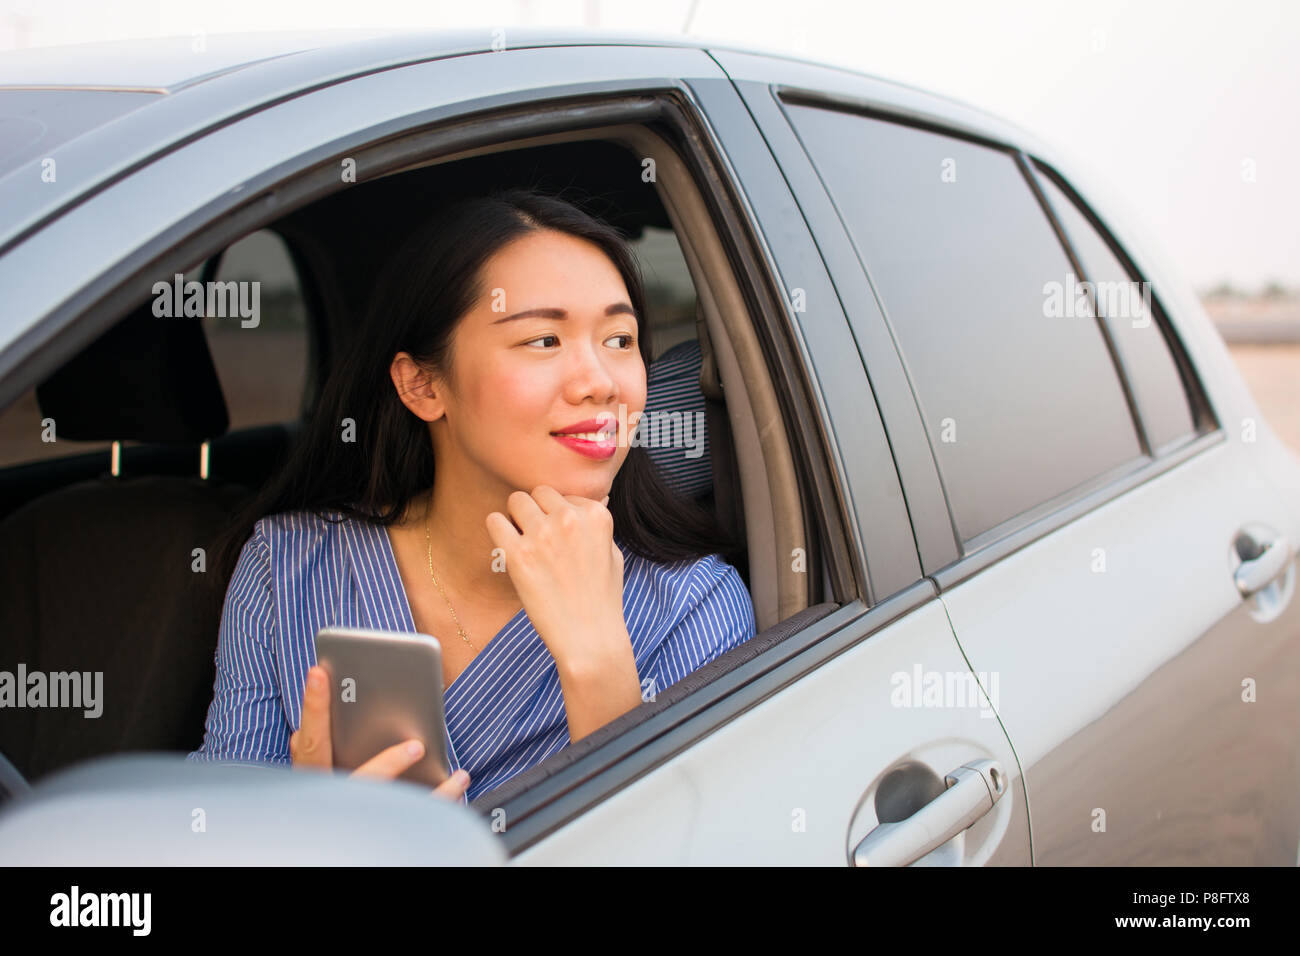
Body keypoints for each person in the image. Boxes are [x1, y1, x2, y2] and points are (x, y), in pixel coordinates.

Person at [187, 187, 756, 805]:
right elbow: (219, 825)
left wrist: (598, 668)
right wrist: (312, 834)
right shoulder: (288, 566)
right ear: (423, 385)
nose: (600, 383)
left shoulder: (694, 607)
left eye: (619, 340)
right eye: (544, 341)